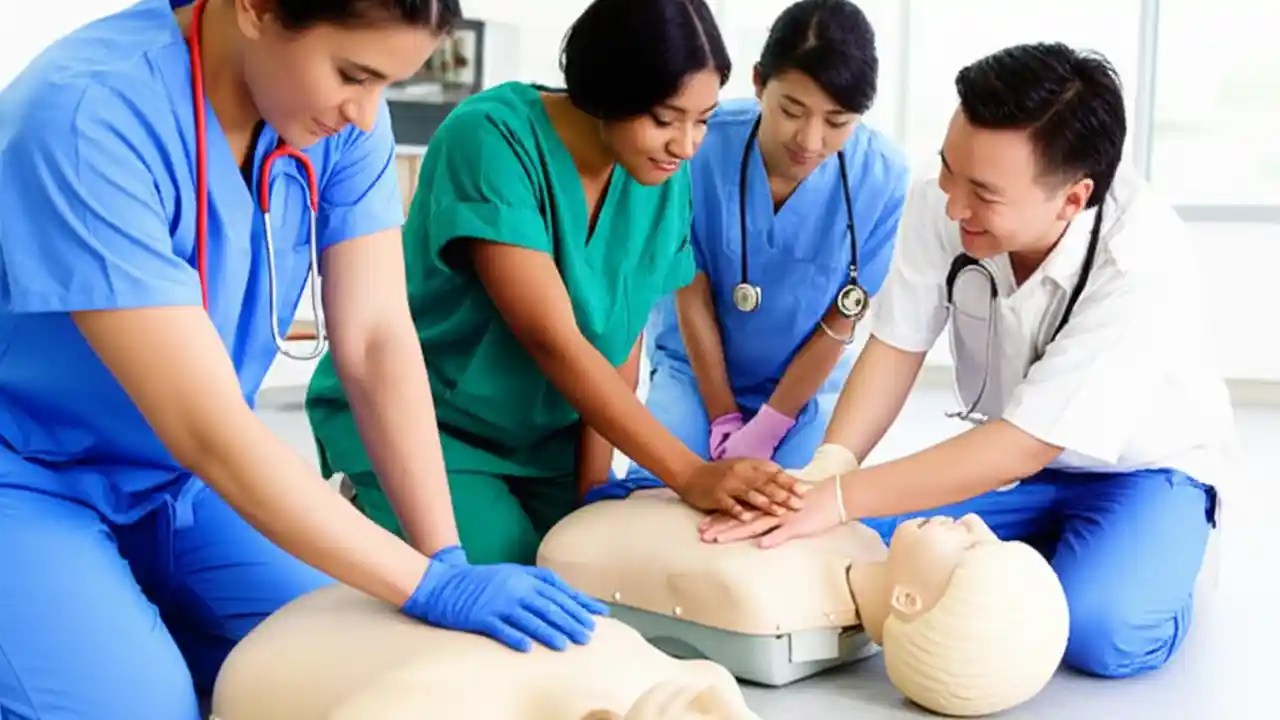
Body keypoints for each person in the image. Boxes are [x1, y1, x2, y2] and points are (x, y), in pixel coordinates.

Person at [0, 1, 607, 718]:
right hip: (29, 477)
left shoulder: (337, 120)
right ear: (255, 7)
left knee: (363, 665)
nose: (364, 113)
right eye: (353, 74)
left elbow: (377, 337)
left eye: (387, 83)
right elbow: (209, 429)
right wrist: (424, 586)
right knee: (146, 706)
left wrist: (444, 559)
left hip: (181, 482)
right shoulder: (88, 114)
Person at [699, 42, 1236, 680]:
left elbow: (1024, 444)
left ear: (1072, 198)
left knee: (1100, 630)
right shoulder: (945, 198)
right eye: (950, 169)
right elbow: (897, 344)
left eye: (983, 193)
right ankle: (1057, 552)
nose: (954, 205)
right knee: (847, 542)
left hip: (1141, 472)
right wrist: (829, 469)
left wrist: (841, 497)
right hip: (1022, 471)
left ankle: (1162, 557)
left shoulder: (1142, 261)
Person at [305, 0, 804, 570]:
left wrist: (592, 488)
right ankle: (368, 503)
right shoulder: (492, 138)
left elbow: (621, 341)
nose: (686, 145)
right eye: (665, 118)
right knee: (508, 574)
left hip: (548, 444)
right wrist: (689, 472)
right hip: (434, 427)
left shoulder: (661, 177)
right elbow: (551, 338)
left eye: (704, 120)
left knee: (603, 573)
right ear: (607, 87)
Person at [621, 0, 909, 487]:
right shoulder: (701, 147)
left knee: (796, 507)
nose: (810, 140)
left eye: (837, 121)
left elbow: (844, 315)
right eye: (791, 110)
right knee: (653, 495)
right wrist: (722, 418)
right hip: (695, 373)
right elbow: (689, 292)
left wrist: (771, 423)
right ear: (759, 83)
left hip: (805, 391)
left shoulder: (882, 177)